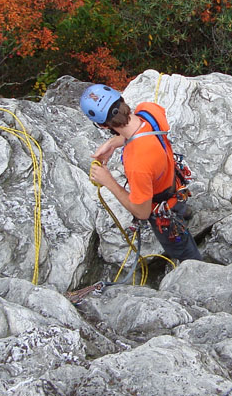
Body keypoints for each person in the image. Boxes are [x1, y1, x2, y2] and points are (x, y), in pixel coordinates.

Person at [80, 83, 202, 262]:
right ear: (120, 99)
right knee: (179, 207)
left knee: (185, 255)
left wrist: (108, 181)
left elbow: (142, 213)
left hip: (161, 210)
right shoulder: (149, 111)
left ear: (103, 125)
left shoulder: (137, 161)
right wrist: (113, 143)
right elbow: (140, 129)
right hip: (173, 183)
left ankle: (195, 269)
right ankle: (186, 213)